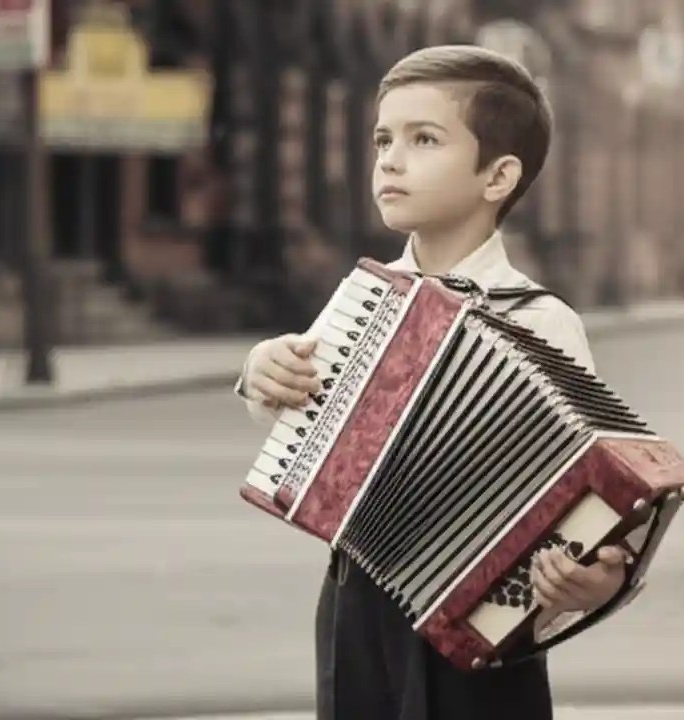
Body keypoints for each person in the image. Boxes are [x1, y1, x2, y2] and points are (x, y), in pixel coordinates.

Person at [233, 45, 630, 719]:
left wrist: (600, 574)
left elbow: (591, 492)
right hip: (358, 606)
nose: (389, 158)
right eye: (383, 138)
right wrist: (261, 372)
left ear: (497, 176)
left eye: (424, 139)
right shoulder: (362, 299)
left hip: (484, 616)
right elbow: (298, 422)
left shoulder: (542, 321)